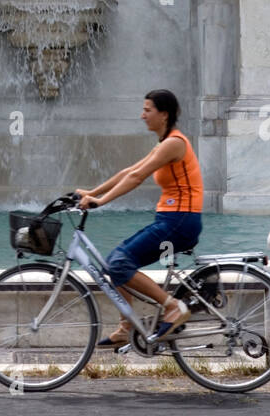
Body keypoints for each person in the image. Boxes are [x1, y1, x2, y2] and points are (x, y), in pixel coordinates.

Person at [75, 88, 202, 347]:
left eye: (147, 110)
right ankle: (126, 327)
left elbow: (136, 178)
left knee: (119, 264)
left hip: (180, 220)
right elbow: (129, 170)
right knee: (114, 264)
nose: (142, 115)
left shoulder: (175, 143)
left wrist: (101, 202)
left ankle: (173, 306)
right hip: (172, 219)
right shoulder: (165, 143)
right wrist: (92, 192)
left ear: (163, 114)